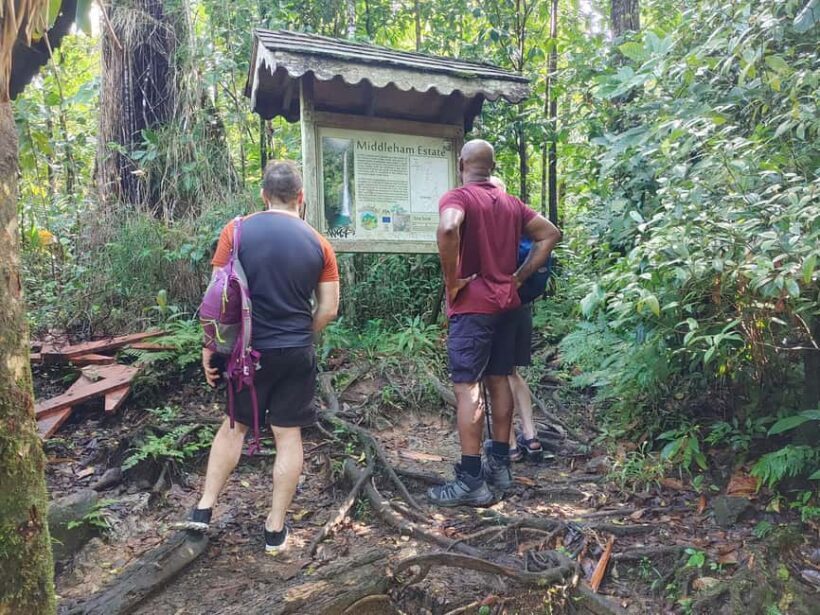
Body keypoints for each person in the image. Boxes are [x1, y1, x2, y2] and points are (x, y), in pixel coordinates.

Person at [189, 161, 340, 554]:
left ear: (263, 195)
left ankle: (204, 509)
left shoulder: (236, 231)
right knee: (288, 436)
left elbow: (217, 298)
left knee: (234, 426)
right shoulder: (319, 243)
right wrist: (302, 334)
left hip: (247, 353)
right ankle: (275, 530)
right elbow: (329, 309)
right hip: (295, 349)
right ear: (301, 197)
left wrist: (212, 349)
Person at [429, 140, 561, 507]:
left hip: (473, 308)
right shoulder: (510, 202)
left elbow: (448, 228)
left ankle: (471, 479)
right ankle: (500, 466)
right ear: (491, 166)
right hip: (508, 304)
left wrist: (453, 279)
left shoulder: (459, 197)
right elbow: (550, 234)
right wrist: (517, 278)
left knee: (466, 387)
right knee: (499, 378)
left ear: (461, 164)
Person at [487, 176, 543, 463]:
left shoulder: (493, 223)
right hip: (523, 306)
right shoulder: (522, 218)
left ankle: (508, 444)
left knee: (498, 373)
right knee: (512, 372)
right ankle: (531, 437)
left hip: (501, 307)